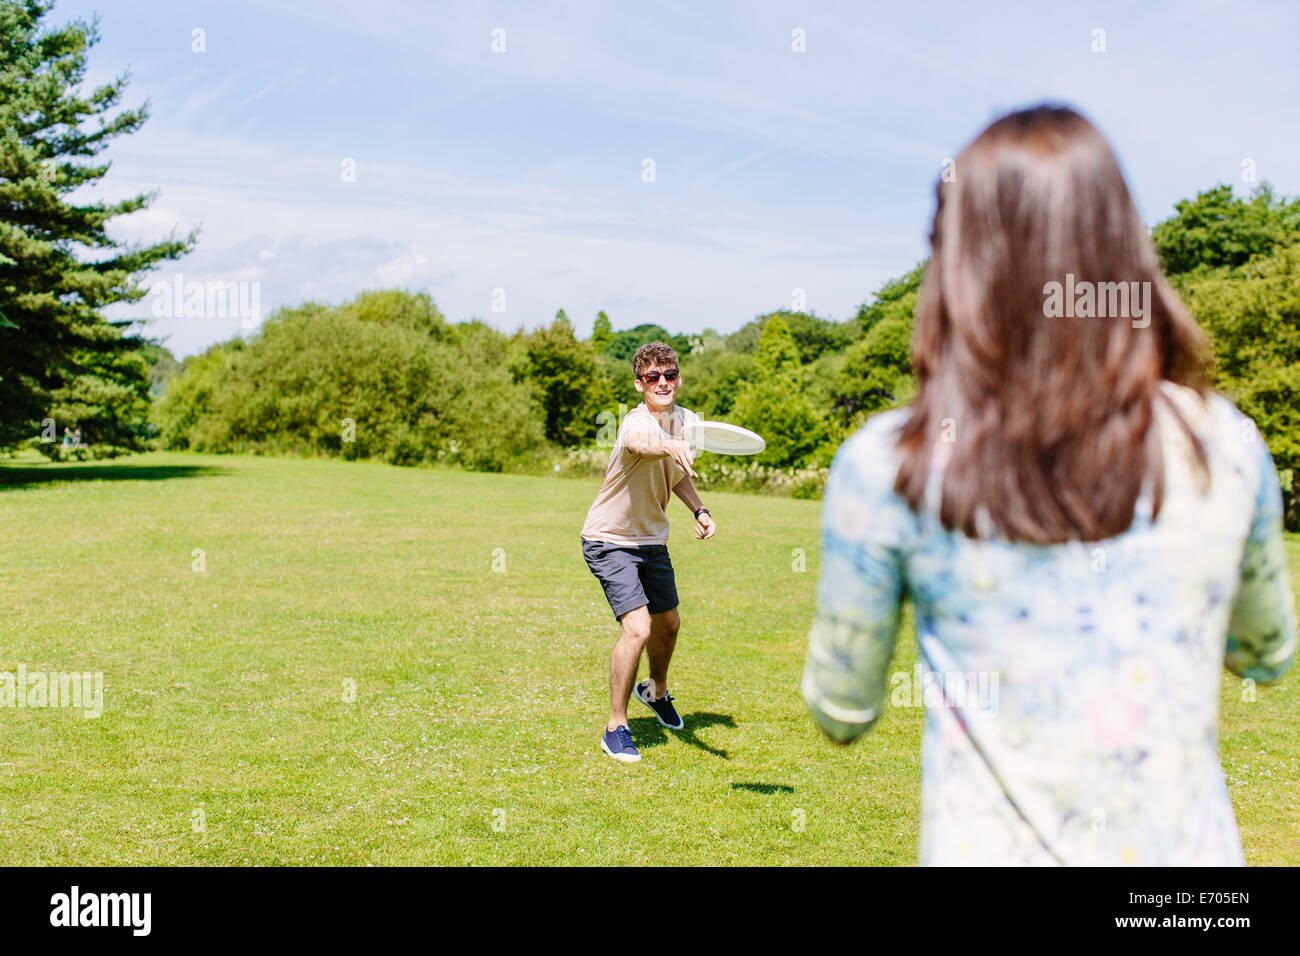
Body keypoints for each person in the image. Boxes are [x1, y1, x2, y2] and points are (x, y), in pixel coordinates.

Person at [801, 105, 1296, 865]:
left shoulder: (889, 462)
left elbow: (843, 709)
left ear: (958, 261)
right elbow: (1265, 653)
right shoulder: (1221, 444)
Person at [581, 342, 716, 762]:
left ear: (678, 377)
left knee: (669, 624)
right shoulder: (634, 423)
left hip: (651, 541)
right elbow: (641, 444)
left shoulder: (687, 422)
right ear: (640, 383)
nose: (662, 383)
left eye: (669, 374)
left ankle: (654, 691)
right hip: (610, 539)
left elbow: (676, 477)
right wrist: (666, 444)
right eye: (653, 377)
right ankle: (615, 727)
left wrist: (700, 508)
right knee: (637, 629)